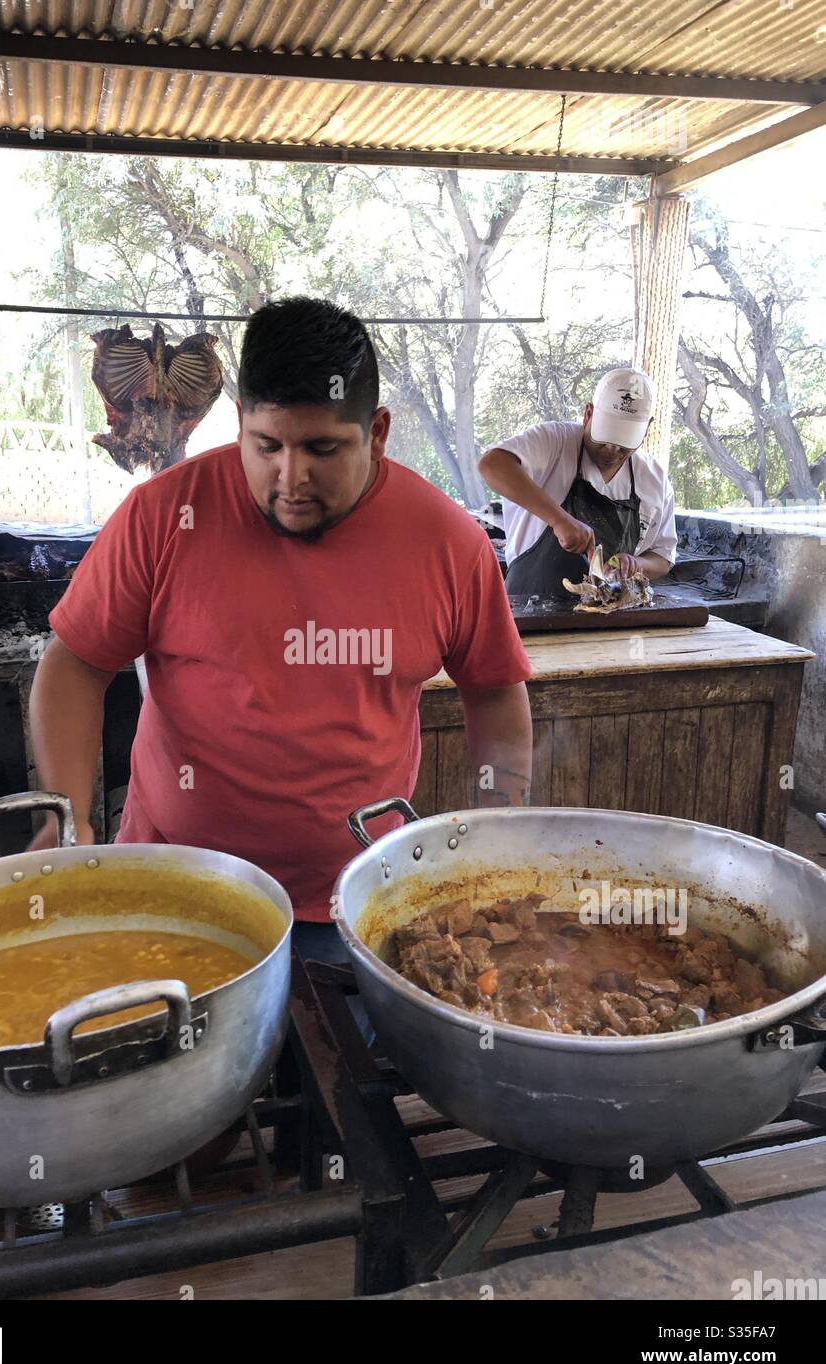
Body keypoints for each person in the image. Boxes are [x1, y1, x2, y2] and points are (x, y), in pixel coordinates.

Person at [29, 296, 533, 961]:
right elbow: (76, 664)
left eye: (322, 449)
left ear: (376, 432)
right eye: (266, 446)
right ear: (238, 422)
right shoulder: (161, 515)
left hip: (357, 901)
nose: (289, 479)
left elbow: (493, 689)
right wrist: (66, 815)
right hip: (173, 888)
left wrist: (496, 829)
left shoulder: (447, 542)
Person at [478, 368, 677, 597]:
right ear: (588, 414)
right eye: (606, 436)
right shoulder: (555, 442)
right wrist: (559, 519)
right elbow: (491, 464)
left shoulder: (654, 480)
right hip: (531, 607)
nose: (613, 448)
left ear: (647, 427)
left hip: (611, 617)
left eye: (624, 442)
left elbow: (663, 558)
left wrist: (634, 564)